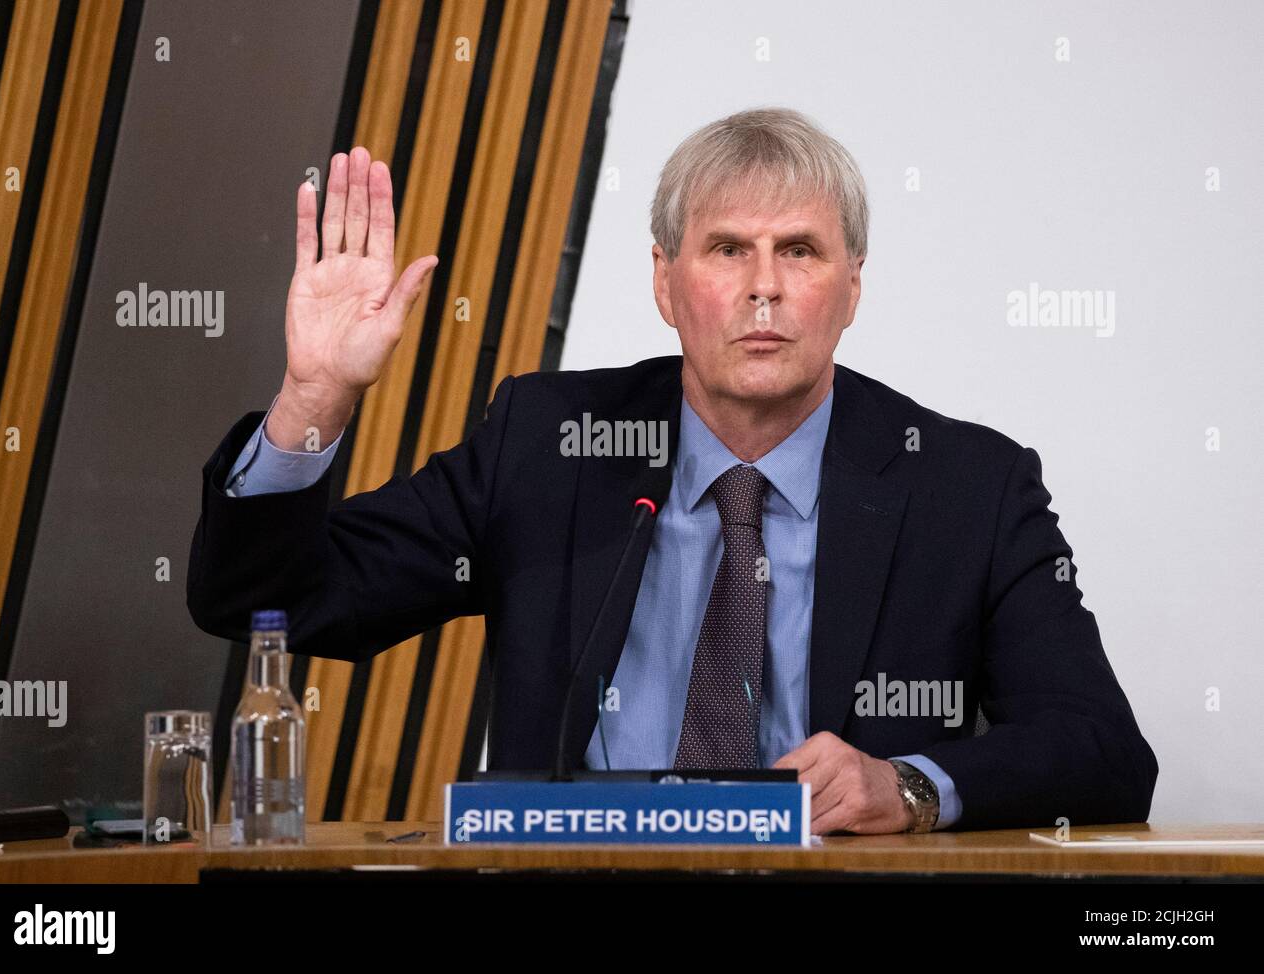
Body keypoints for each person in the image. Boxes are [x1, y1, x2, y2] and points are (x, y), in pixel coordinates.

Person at [188, 107, 1157, 834]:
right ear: (664, 279)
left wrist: (903, 784)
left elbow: (1103, 752)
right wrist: (314, 395)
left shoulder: (965, 486)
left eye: (800, 251)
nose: (764, 285)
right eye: (728, 247)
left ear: (851, 287)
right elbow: (273, 599)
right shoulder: (547, 443)